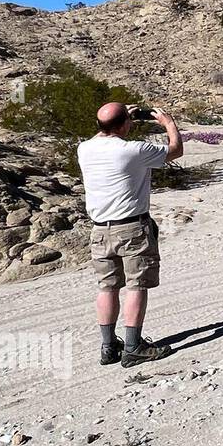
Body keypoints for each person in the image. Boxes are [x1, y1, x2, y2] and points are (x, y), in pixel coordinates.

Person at [76, 103, 184, 368]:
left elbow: (109, 129)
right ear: (124, 123)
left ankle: (108, 346)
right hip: (132, 228)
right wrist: (168, 124)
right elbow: (176, 151)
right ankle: (134, 346)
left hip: (100, 229)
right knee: (137, 285)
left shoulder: (84, 148)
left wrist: (122, 114)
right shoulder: (133, 150)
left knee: (108, 287)